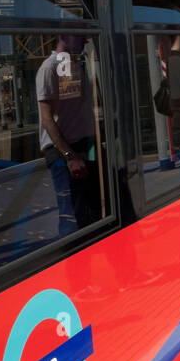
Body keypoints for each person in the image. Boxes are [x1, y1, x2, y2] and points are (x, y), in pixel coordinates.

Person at [37, 34, 101, 236]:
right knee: (70, 213)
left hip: (83, 144)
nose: (85, 39)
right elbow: (47, 119)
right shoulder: (49, 68)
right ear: (64, 35)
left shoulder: (75, 66)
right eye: (80, 35)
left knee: (90, 210)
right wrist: (69, 156)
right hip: (63, 151)